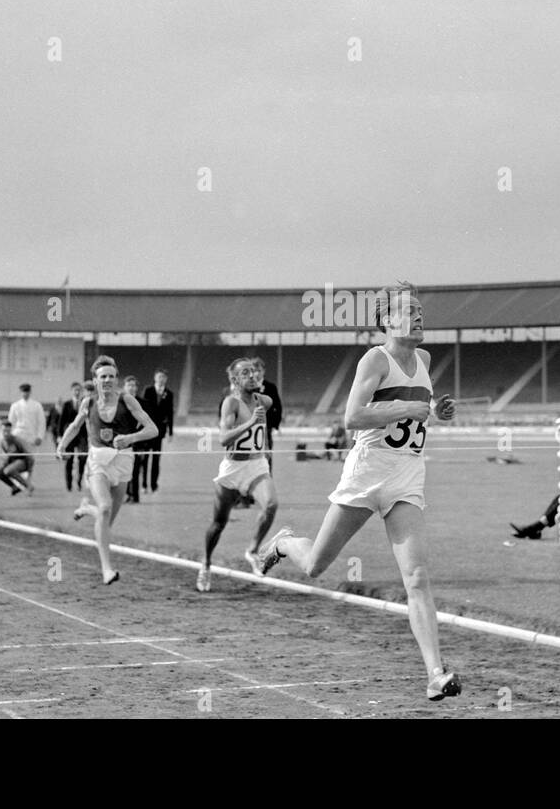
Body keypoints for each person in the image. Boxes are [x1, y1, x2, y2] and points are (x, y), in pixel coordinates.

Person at [257, 283, 462, 701]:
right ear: (387, 321)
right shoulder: (375, 358)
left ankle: (435, 674)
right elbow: (352, 416)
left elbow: (414, 414)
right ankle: (285, 543)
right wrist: (407, 408)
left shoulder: (423, 358)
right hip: (365, 476)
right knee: (315, 565)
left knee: (418, 577)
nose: (420, 317)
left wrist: (435, 412)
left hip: (406, 478)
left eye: (421, 309)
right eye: (410, 310)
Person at [56, 356, 159, 584]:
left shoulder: (127, 400)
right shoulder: (88, 403)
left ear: (116, 379)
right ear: (95, 379)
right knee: (104, 508)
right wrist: (62, 445)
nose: (108, 381)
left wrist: (131, 437)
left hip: (123, 462)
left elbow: (153, 429)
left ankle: (85, 508)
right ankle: (107, 570)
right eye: (103, 377)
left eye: (112, 376)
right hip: (98, 462)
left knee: (106, 521)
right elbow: (74, 427)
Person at [197, 357, 280, 592]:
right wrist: (252, 422)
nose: (252, 375)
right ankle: (205, 564)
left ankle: (252, 551)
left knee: (271, 504)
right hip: (233, 468)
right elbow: (224, 439)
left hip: (256, 465)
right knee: (218, 523)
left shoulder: (262, 399)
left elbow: (271, 400)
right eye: (245, 373)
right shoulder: (230, 403)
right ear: (234, 379)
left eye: (254, 371)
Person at [138, 369, 175, 492]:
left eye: (164, 377)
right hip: (147, 429)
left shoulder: (169, 394)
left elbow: (170, 413)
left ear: (166, 379)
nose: (161, 379)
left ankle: (154, 484)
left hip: (160, 431)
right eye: (159, 376)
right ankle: (144, 484)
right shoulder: (148, 391)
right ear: (155, 378)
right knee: (145, 458)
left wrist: (170, 432)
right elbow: (141, 409)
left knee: (156, 459)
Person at [8, 383, 46, 488]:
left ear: (30, 392)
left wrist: (40, 436)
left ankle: (27, 482)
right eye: (23, 392)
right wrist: (10, 439)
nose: (25, 394)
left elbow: (41, 422)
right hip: (18, 436)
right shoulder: (15, 406)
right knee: (17, 461)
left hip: (31, 438)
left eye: (27, 392)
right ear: (20, 392)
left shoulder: (36, 405)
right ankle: (19, 484)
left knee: (29, 462)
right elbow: (10, 423)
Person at [250, 357, 284, 471]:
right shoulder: (247, 387)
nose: (256, 373)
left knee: (266, 458)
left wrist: (274, 425)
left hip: (266, 429)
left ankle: (267, 482)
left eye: (259, 370)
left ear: (263, 371)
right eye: (254, 370)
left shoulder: (271, 387)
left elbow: (278, 407)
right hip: (249, 429)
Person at [57, 382, 88, 492]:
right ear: (72, 391)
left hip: (82, 436)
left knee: (82, 458)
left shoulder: (85, 403)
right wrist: (60, 436)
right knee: (69, 460)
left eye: (79, 390)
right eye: (75, 390)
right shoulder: (67, 404)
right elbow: (61, 421)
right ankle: (69, 484)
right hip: (70, 435)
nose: (77, 392)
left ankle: (79, 481)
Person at [0, 421, 35, 495]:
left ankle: (28, 486)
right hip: (13, 462)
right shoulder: (3, 442)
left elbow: (29, 455)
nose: (6, 433)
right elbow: (8, 455)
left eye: (8, 431)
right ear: (1, 431)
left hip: (22, 461)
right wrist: (4, 463)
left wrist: (29, 470)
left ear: (11, 430)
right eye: (4, 431)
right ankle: (14, 487)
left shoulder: (16, 440)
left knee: (8, 470)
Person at [122, 375, 145, 503]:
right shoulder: (120, 403)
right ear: (125, 387)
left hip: (137, 444)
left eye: (134, 385)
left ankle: (135, 496)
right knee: (124, 471)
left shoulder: (143, 403)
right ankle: (127, 494)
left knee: (135, 472)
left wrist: (143, 446)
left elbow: (148, 427)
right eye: (129, 385)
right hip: (123, 443)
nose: (132, 388)